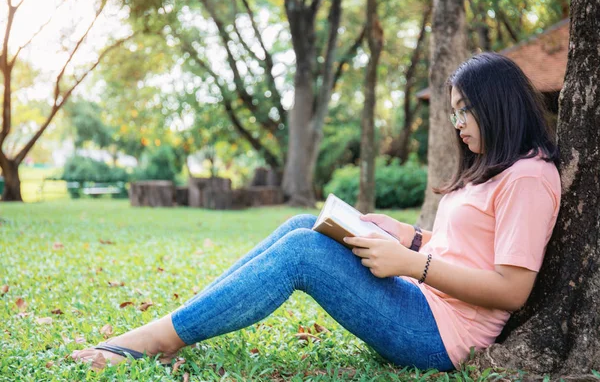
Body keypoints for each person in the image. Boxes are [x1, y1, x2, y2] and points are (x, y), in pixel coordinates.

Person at [72, 52, 561, 371]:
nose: (457, 124)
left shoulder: (529, 177)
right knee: (301, 225)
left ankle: (158, 338)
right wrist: (409, 237)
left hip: (440, 335)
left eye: (464, 111)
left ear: (497, 106)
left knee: (305, 252)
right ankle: (179, 326)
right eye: (453, 112)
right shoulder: (494, 171)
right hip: (422, 300)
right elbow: (469, 249)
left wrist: (413, 264)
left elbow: (512, 289)